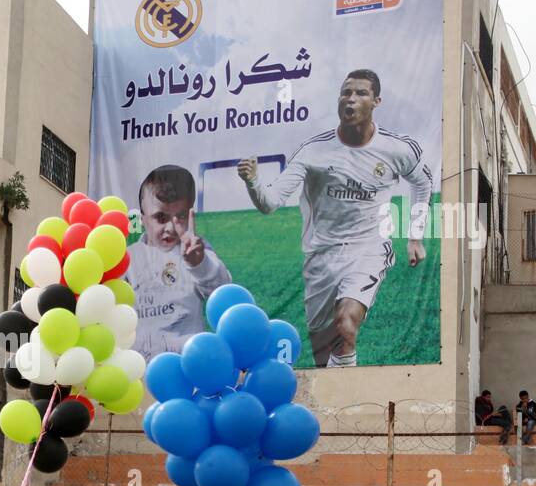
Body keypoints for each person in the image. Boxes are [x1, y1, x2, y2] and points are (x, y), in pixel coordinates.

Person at [238, 69, 433, 368]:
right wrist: (253, 181)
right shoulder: (313, 151)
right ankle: (333, 407)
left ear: (376, 101)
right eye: (346, 93)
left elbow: (422, 182)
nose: (351, 99)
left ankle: (350, 404)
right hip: (320, 256)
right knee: (323, 353)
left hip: (368, 248)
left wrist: (415, 235)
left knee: (345, 324)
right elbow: (270, 203)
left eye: (360, 93)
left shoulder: (397, 148)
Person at [125, 165, 233, 357]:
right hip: (139, 372)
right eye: (161, 217)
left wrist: (199, 264)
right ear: (142, 219)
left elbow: (223, 292)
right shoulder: (128, 259)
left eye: (181, 217)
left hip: (188, 367)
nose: (171, 227)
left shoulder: (196, 251)